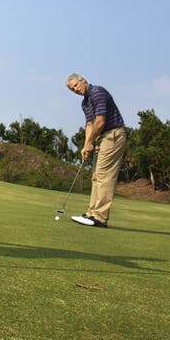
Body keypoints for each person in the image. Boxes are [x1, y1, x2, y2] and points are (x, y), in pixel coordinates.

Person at [66, 73, 127, 228]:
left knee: (104, 177)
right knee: (96, 176)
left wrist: (91, 142)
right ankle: (92, 213)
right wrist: (86, 145)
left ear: (83, 80)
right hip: (101, 137)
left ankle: (99, 217)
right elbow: (90, 125)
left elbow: (100, 121)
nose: (75, 90)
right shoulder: (85, 103)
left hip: (112, 135)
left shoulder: (97, 92)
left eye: (76, 85)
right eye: (72, 90)